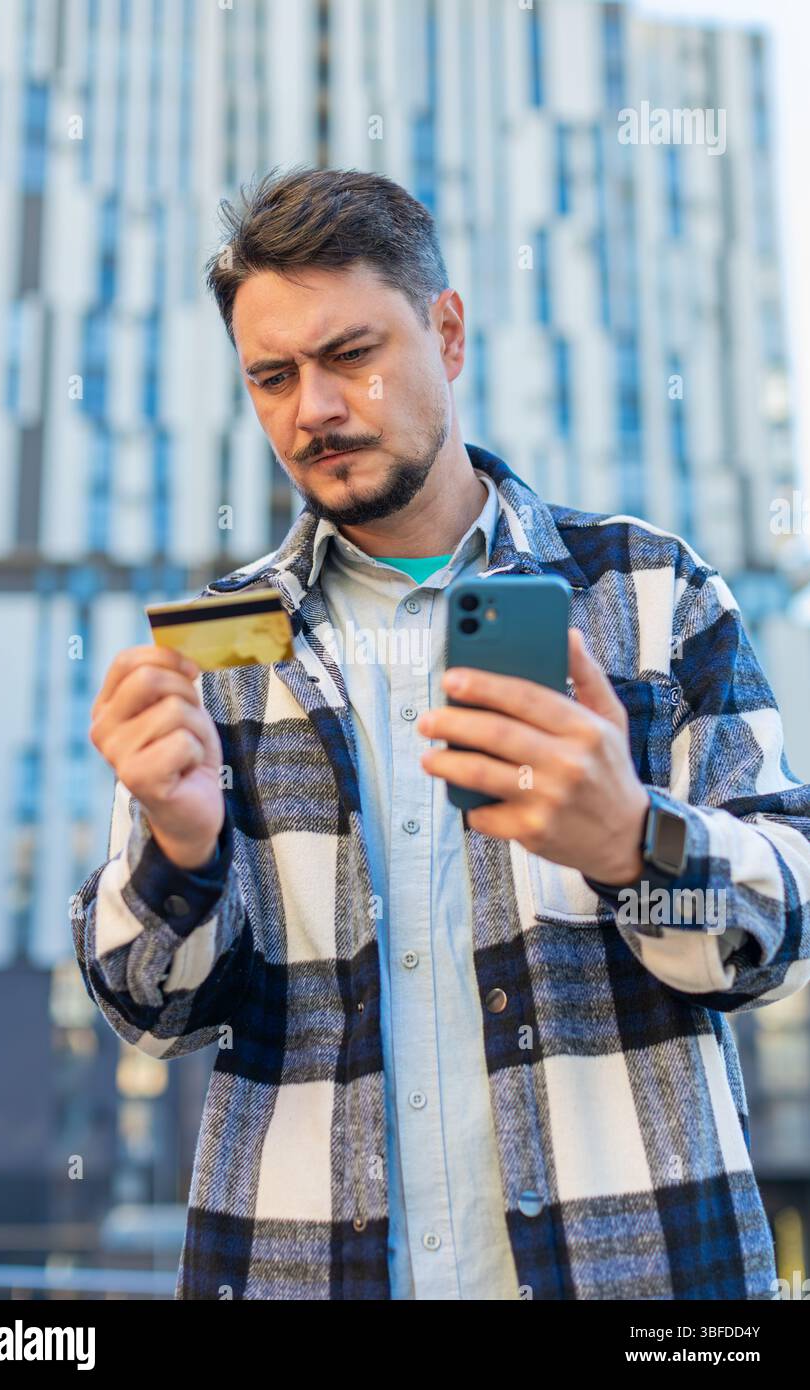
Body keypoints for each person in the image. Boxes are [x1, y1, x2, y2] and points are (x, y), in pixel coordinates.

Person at [71, 166, 810, 1300]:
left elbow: (777, 928)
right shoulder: (219, 645)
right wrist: (176, 853)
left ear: (447, 332)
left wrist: (631, 840)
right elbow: (153, 1010)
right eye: (273, 377)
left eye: (350, 355)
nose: (312, 407)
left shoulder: (646, 589)